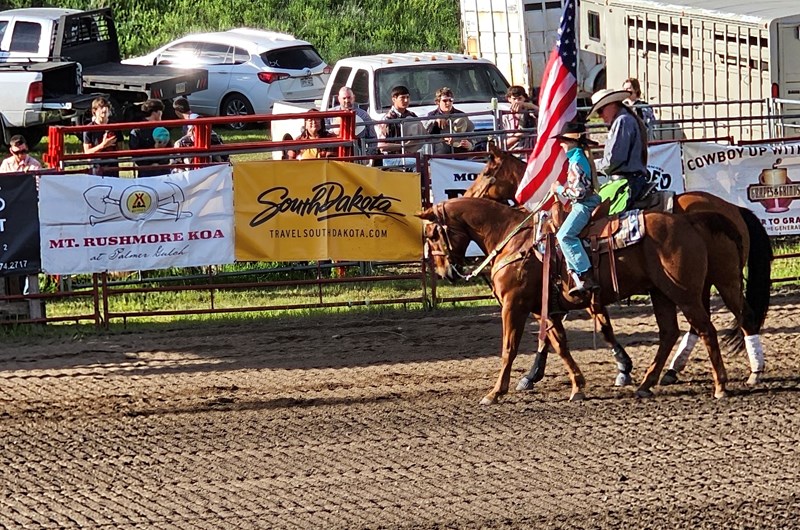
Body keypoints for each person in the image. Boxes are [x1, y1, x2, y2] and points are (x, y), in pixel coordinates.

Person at [549, 121, 602, 296]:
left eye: (563, 141)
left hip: (584, 205)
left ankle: (586, 275)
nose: (561, 144)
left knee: (565, 236)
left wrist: (558, 189)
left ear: (571, 142)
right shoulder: (578, 158)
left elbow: (579, 193)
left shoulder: (576, 161)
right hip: (587, 202)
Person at [589, 88, 649, 206]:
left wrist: (591, 164)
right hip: (629, 180)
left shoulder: (622, 121)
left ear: (612, 105)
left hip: (626, 183)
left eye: (601, 111)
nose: (600, 116)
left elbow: (613, 161)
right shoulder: (624, 119)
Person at [377, 85, 423, 167]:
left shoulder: (412, 116)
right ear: (394, 99)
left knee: (427, 161)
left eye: (407, 97)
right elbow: (382, 146)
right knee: (418, 164)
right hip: (391, 158)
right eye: (402, 98)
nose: (406, 100)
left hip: (411, 156)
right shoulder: (387, 119)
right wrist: (404, 146)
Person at [329, 86, 377, 158]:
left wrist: (368, 155)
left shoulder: (363, 115)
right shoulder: (330, 115)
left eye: (349, 97)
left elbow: (372, 137)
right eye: (344, 98)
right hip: (336, 153)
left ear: (353, 98)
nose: (347, 100)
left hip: (357, 152)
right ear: (339, 99)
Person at [424, 86, 474, 154]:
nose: (448, 103)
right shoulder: (432, 115)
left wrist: (469, 145)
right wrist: (435, 122)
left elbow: (472, 135)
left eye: (451, 100)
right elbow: (425, 133)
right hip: (440, 155)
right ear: (438, 102)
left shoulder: (461, 115)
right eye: (445, 101)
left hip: (460, 154)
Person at [129, 99, 171, 177]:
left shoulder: (136, 130)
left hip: (147, 170)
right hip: (158, 170)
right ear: (155, 113)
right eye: (160, 111)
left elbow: (134, 153)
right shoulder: (162, 130)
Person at [83, 96, 120, 176]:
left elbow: (121, 147)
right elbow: (87, 153)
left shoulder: (115, 126)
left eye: (106, 107)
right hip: (97, 167)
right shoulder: (88, 129)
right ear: (94, 111)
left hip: (113, 168)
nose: (104, 110)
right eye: (101, 107)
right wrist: (103, 145)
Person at [502, 85, 537, 151]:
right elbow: (501, 144)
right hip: (512, 154)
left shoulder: (531, 113)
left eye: (520, 98)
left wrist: (528, 105)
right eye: (514, 99)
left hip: (529, 151)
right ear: (509, 99)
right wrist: (519, 135)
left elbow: (543, 114)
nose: (517, 102)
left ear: (524, 98)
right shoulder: (505, 117)